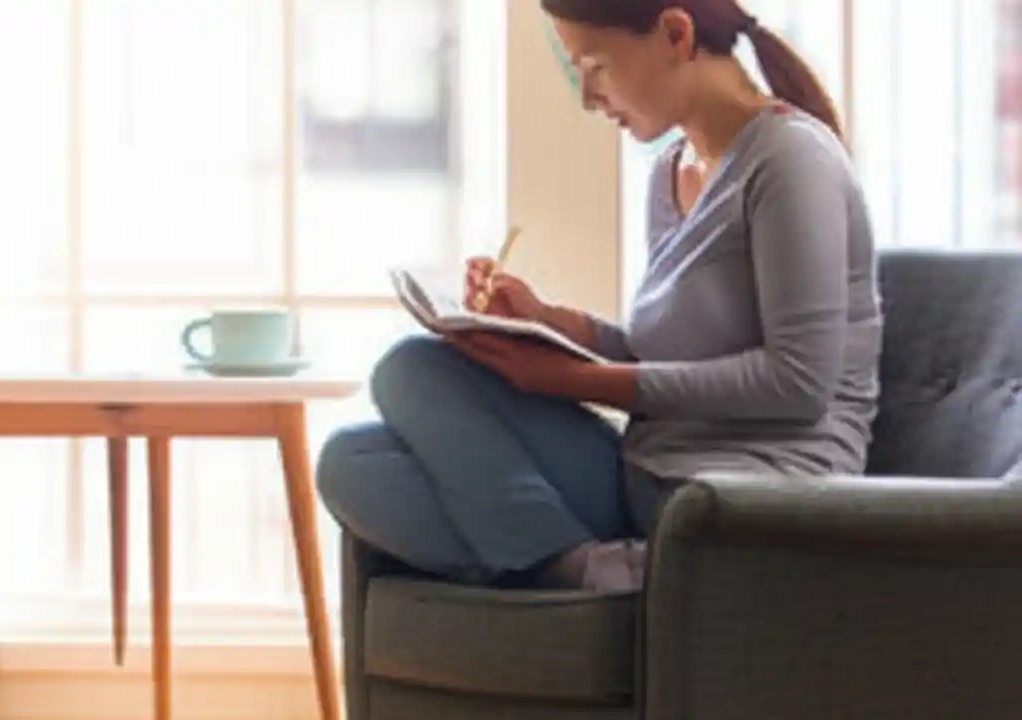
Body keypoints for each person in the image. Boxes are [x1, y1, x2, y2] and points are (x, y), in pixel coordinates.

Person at [316, 0, 882, 595]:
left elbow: (798, 384)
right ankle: (595, 569)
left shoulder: (792, 159)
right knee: (369, 436)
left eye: (596, 67)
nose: (588, 97)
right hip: (644, 477)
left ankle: (571, 565)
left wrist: (572, 379)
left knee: (407, 407)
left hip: (742, 499)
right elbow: (658, 351)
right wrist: (546, 321)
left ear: (674, 33)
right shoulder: (672, 168)